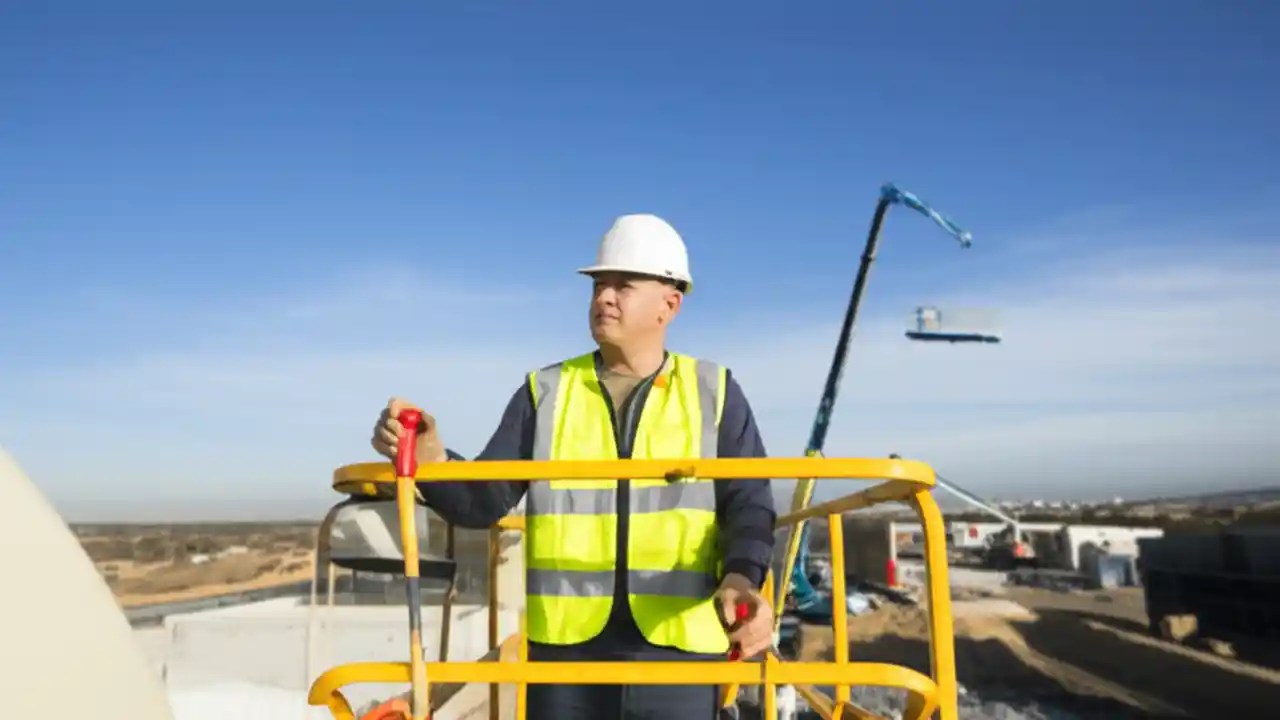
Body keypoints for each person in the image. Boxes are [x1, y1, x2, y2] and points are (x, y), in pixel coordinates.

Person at [370, 213, 777, 720]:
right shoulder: (546, 391)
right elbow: (483, 501)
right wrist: (430, 456)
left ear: (669, 304)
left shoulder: (714, 392)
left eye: (622, 286)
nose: (604, 298)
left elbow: (750, 506)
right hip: (566, 655)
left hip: (681, 651)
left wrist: (742, 580)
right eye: (599, 286)